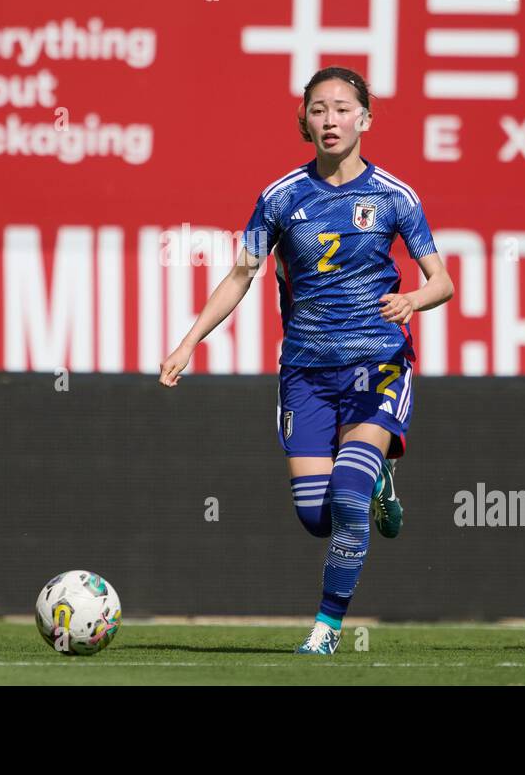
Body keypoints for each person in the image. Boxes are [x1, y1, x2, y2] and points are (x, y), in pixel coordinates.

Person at [160, 67, 454, 655]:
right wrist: (190, 340)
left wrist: (413, 300)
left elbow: (441, 280)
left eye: (343, 109)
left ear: (365, 119)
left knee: (347, 495)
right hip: (305, 373)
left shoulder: (395, 196)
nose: (330, 120)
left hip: (379, 366)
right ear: (304, 120)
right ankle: (382, 484)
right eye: (318, 109)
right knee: (316, 517)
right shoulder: (279, 198)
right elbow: (243, 272)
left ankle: (326, 629)